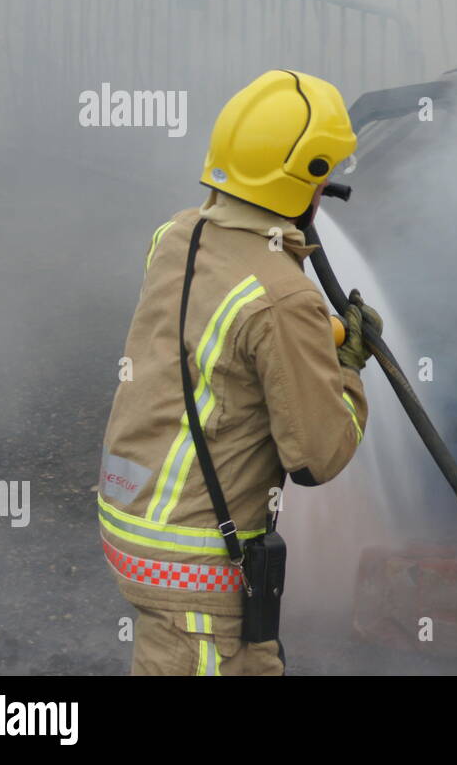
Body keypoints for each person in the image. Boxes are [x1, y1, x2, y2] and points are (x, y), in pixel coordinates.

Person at [97, 69, 381, 675]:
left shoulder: (177, 235)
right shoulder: (282, 299)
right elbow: (316, 458)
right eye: (325, 170)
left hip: (136, 512)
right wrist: (346, 370)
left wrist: (302, 343)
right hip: (193, 559)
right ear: (308, 175)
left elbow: (220, 341)